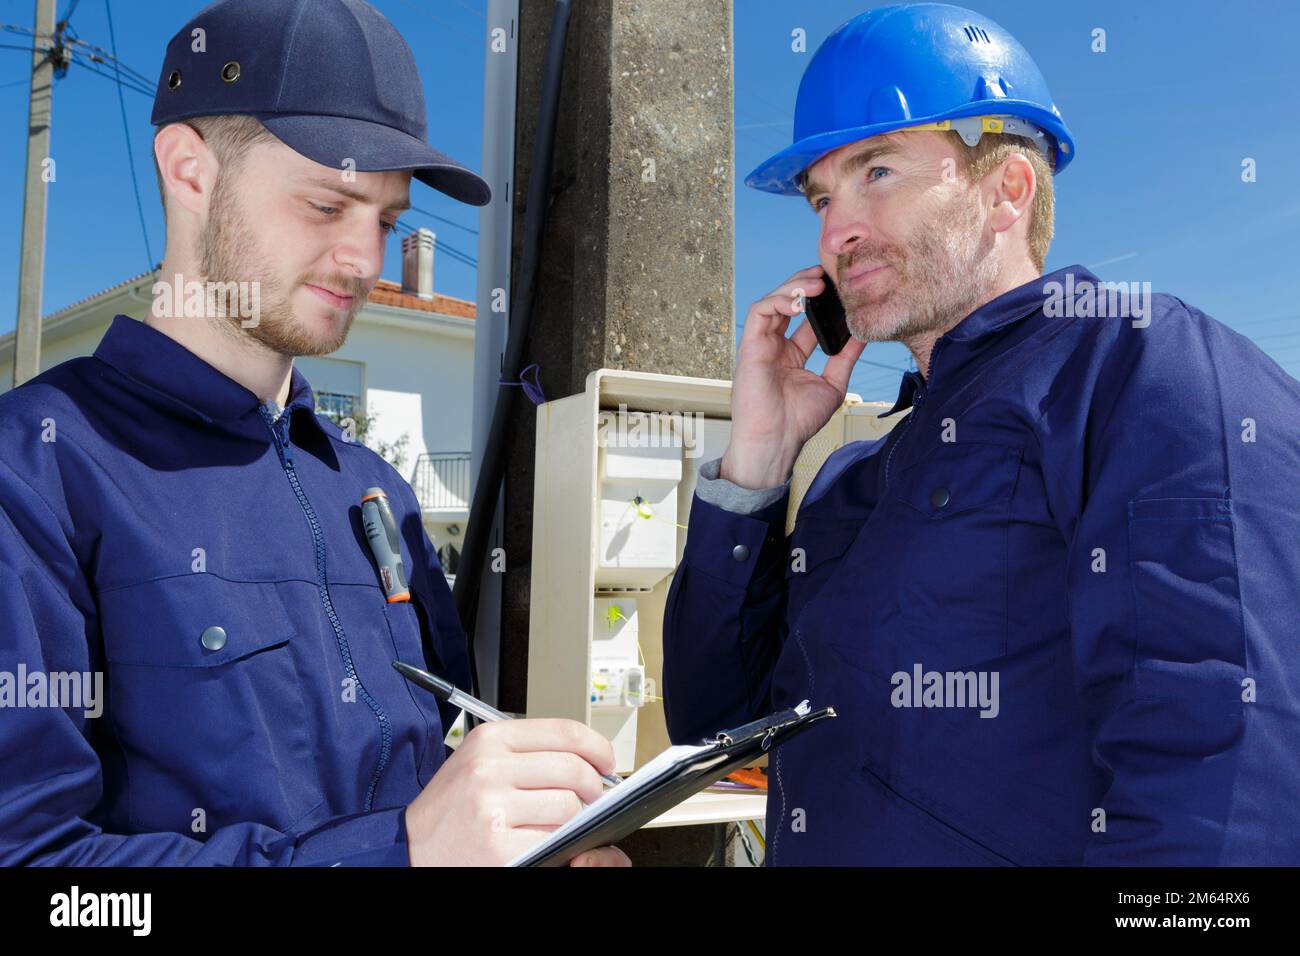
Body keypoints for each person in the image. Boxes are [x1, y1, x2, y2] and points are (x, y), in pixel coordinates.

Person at [663, 3, 1300, 865]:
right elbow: (720, 734)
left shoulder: (1141, 372)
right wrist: (759, 465)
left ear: (1007, 193)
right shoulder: (856, 475)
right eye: (821, 197)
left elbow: (1223, 793)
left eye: (877, 171)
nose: (834, 231)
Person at [0, 0, 627, 867]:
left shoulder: (377, 492)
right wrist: (398, 853)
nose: (366, 261)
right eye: (329, 204)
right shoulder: (34, 473)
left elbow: (436, 772)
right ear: (190, 171)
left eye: (387, 220)